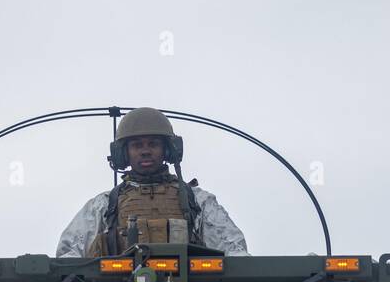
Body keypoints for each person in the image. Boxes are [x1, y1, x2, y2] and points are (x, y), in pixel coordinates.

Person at [55, 107, 250, 257]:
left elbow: (234, 251)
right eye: (137, 145)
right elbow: (69, 256)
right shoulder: (104, 205)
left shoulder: (197, 200)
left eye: (153, 144)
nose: (145, 151)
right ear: (123, 153)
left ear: (168, 150)